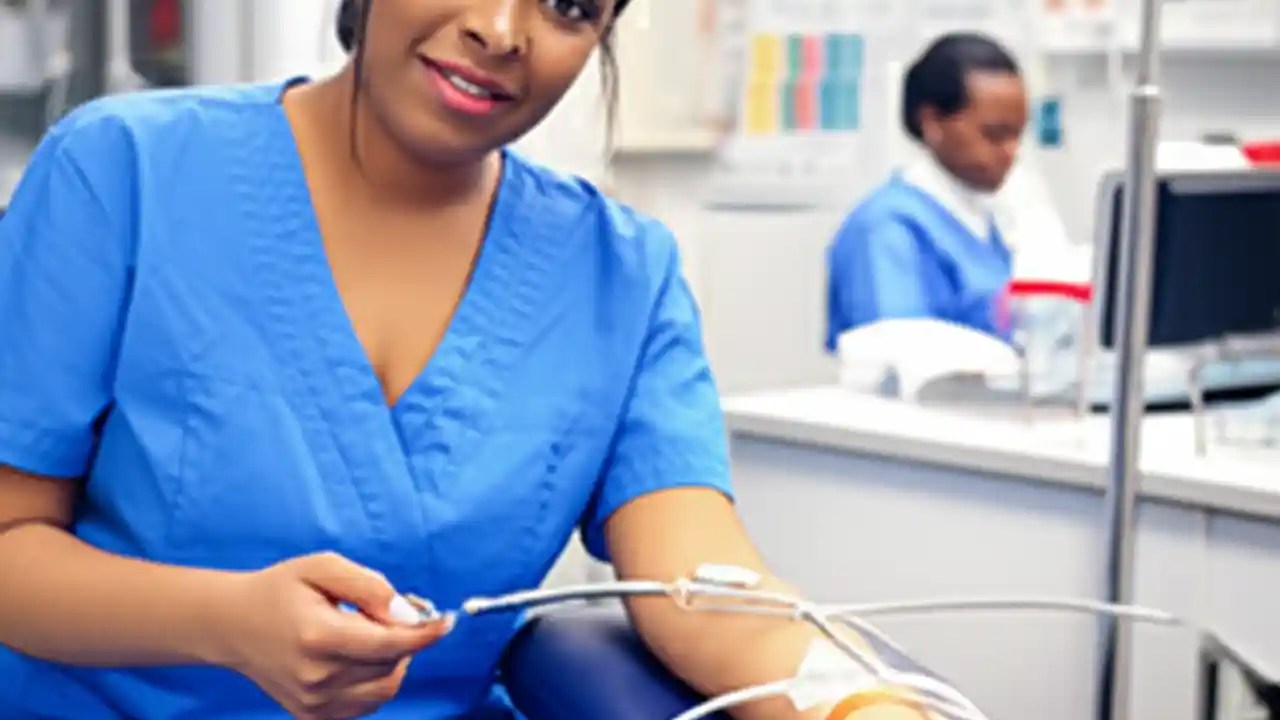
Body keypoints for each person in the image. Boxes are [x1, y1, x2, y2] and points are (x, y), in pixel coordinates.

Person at [0, 1, 939, 718]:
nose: (501, 30)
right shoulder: (123, 173)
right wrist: (228, 623)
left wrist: (854, 699)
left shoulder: (620, 273)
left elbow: (702, 582)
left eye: (569, 5)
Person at [825, 33, 1028, 352]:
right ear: (932, 121)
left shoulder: (982, 221)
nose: (1011, 151)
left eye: (1017, 134)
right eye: (994, 134)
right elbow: (896, 354)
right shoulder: (886, 229)